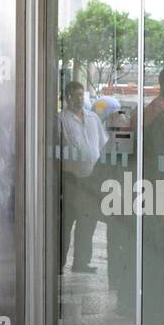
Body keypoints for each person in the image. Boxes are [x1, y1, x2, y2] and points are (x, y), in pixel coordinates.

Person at [57, 81, 104, 273]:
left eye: (80, 94)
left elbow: (102, 144)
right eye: (74, 94)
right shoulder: (60, 119)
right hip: (71, 178)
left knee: (88, 222)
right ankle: (58, 263)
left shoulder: (94, 118)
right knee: (66, 222)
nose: (78, 98)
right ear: (67, 97)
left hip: (90, 179)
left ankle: (81, 262)